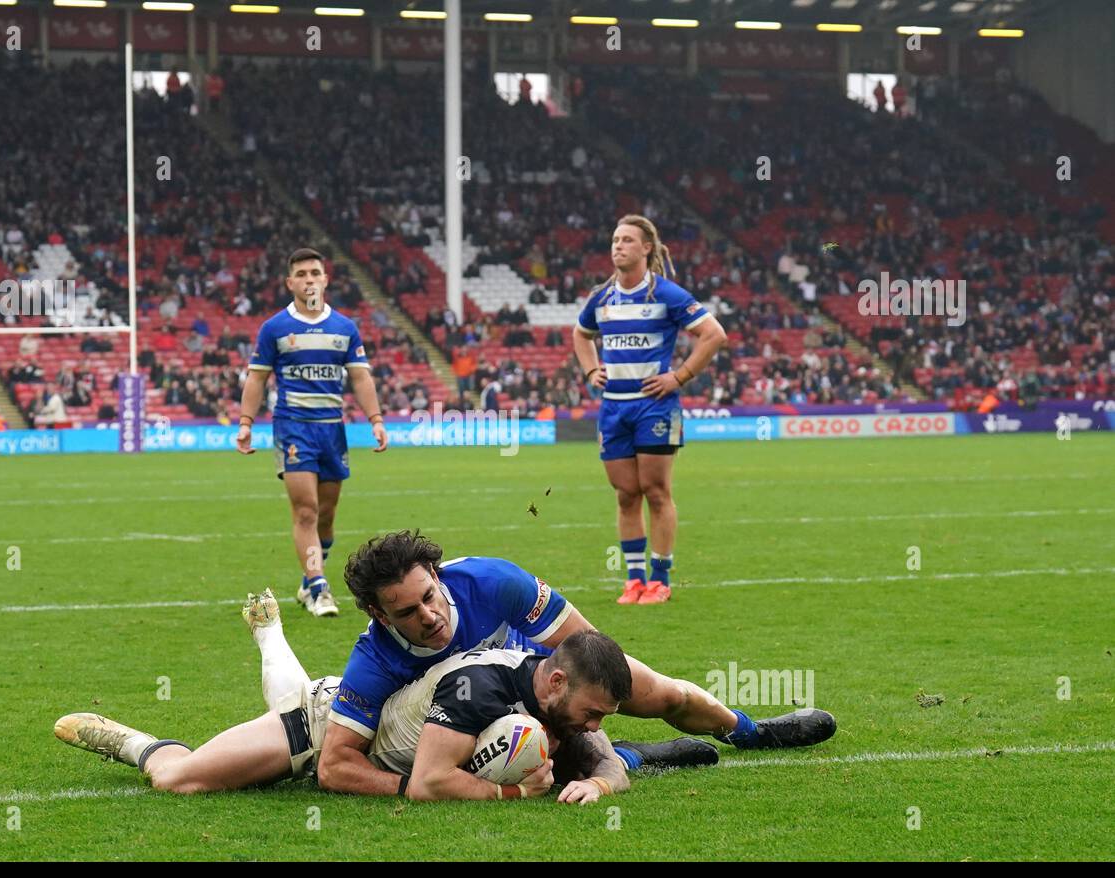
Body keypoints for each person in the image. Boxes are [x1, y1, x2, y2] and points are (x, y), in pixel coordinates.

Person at [314, 531, 836, 796]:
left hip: (544, 680)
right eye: (408, 611)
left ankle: (748, 732)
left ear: (435, 573)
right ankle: (634, 758)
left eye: (430, 595)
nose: (427, 615)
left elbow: (586, 647)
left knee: (658, 693)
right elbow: (335, 764)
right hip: (478, 722)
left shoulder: (495, 583)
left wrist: (583, 702)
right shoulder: (373, 658)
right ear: (380, 615)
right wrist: (428, 787)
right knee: (550, 767)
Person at [53, 594, 707, 802]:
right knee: (183, 781)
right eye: (592, 711)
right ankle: (133, 741)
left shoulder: (560, 696)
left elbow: (605, 758)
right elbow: (428, 782)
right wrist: (512, 793)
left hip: (377, 717)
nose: (594, 725)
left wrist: (601, 784)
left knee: (295, 693)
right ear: (556, 684)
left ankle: (272, 637)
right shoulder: (482, 687)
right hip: (322, 726)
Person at [572, 215, 728, 604]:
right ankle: (634, 580)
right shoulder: (602, 298)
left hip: (654, 408)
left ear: (646, 248)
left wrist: (680, 376)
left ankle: (660, 580)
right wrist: (591, 368)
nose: (618, 246)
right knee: (626, 494)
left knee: (656, 492)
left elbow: (714, 334)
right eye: (615, 239)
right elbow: (580, 334)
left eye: (627, 240)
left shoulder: (667, 294)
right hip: (614, 410)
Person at [236, 248, 389, 617]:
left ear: (325, 279)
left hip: (332, 431)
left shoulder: (344, 328)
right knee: (305, 510)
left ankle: (308, 580)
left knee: (326, 515)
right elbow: (257, 378)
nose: (308, 279)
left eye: (314, 272)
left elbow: (359, 377)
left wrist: (376, 419)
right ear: (290, 283)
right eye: (301, 273)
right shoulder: (274, 328)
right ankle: (319, 588)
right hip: (293, 430)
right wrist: (245, 423)